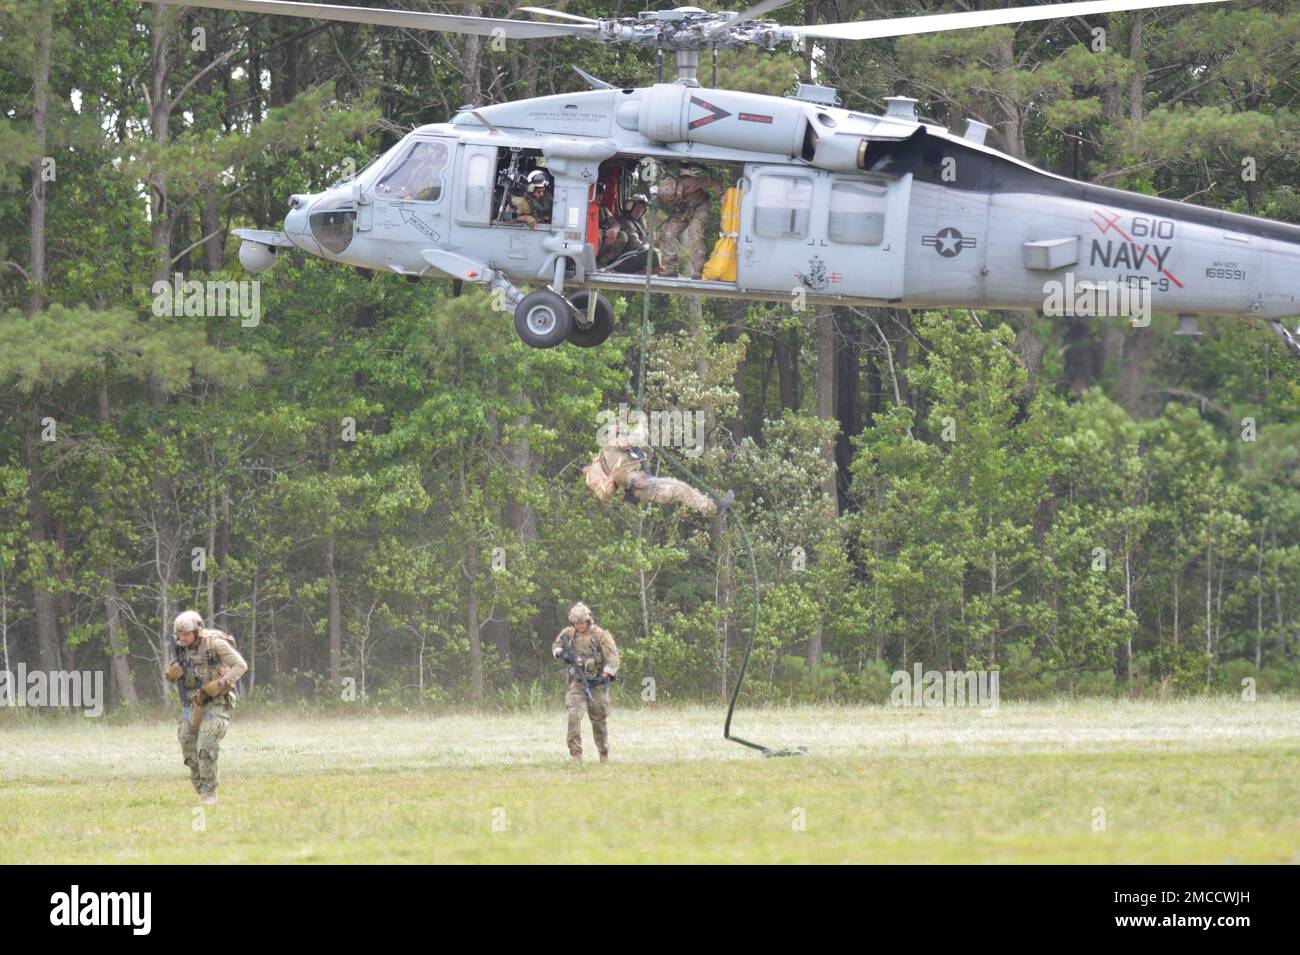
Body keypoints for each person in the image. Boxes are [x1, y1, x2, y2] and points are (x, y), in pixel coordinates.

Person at [164, 610, 246, 806]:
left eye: (185, 634)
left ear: (197, 631)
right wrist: (172, 673)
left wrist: (219, 684)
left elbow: (240, 665)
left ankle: (209, 793)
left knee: (206, 745)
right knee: (186, 742)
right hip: (193, 703)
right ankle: (200, 786)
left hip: (217, 703)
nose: (182, 638)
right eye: (179, 635)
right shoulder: (181, 648)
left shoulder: (214, 644)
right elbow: (174, 673)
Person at [584, 424, 733, 516]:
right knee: (680, 489)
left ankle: (713, 507)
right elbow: (637, 437)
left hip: (637, 490)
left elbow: (645, 454)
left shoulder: (611, 454)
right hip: (639, 487)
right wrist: (641, 423)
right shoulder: (614, 444)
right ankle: (714, 508)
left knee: (679, 489)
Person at [552, 602, 619, 763]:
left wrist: (604, 675)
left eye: (581, 623)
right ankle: (576, 754)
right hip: (577, 682)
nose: (579, 626)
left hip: (597, 684)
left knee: (599, 720)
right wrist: (562, 654)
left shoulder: (601, 636)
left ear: (588, 621)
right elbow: (556, 646)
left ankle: (603, 753)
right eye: (576, 623)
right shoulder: (569, 633)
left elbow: (613, 659)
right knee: (574, 715)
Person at [657, 170, 722, 278]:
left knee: (695, 231)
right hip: (683, 210)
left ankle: (698, 270)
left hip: (701, 206)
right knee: (668, 234)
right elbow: (656, 206)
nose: (671, 200)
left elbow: (712, 182)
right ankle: (671, 268)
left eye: (673, 197)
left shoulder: (688, 182)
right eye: (668, 199)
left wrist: (721, 195)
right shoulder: (660, 194)